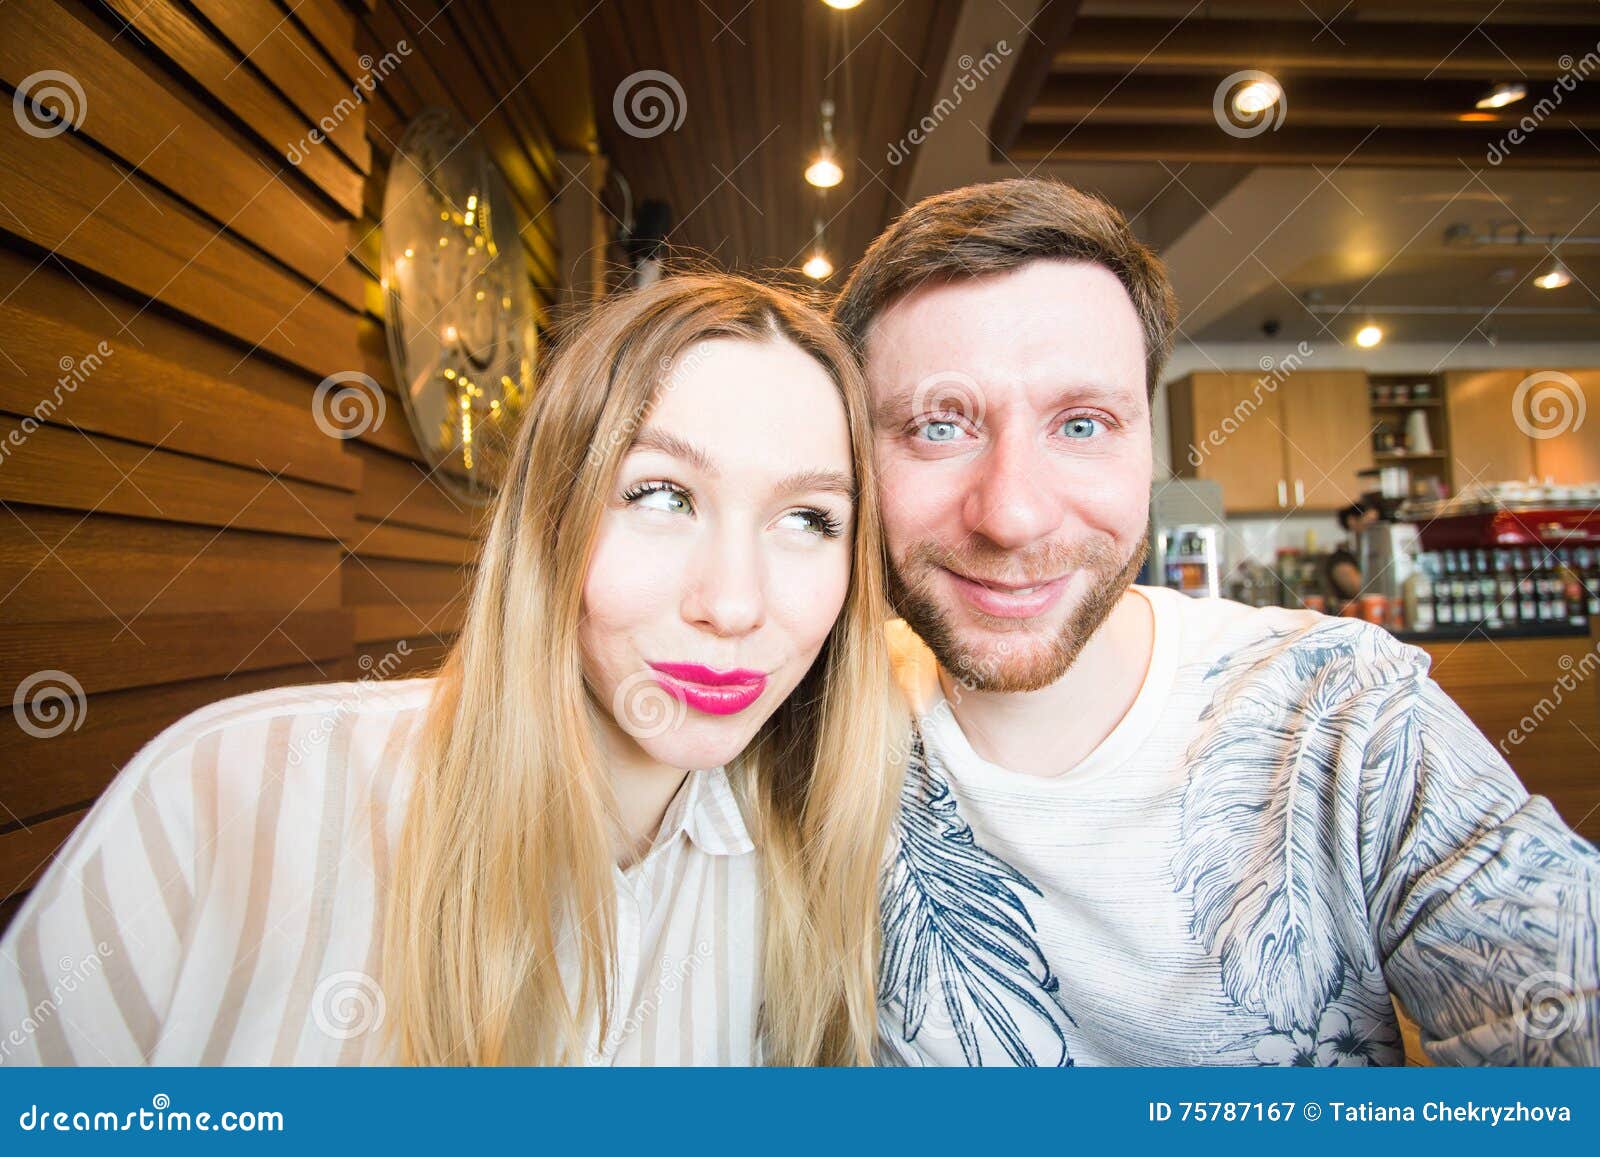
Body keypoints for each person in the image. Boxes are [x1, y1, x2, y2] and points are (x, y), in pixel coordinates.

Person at [0, 274, 905, 1066]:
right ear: (551, 516)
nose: (735, 602)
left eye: (809, 520)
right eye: (661, 495)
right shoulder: (228, 800)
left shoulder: (817, 871)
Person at [835, 178, 1600, 1067]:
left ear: (1146, 443)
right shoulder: (805, 720)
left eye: (1082, 424)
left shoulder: (1347, 714)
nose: (1012, 515)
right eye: (937, 426)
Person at [1321, 501, 1377, 609]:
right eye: (1369, 524)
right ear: (1352, 521)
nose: (1374, 529)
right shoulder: (1341, 559)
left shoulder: (1375, 555)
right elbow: (1362, 592)